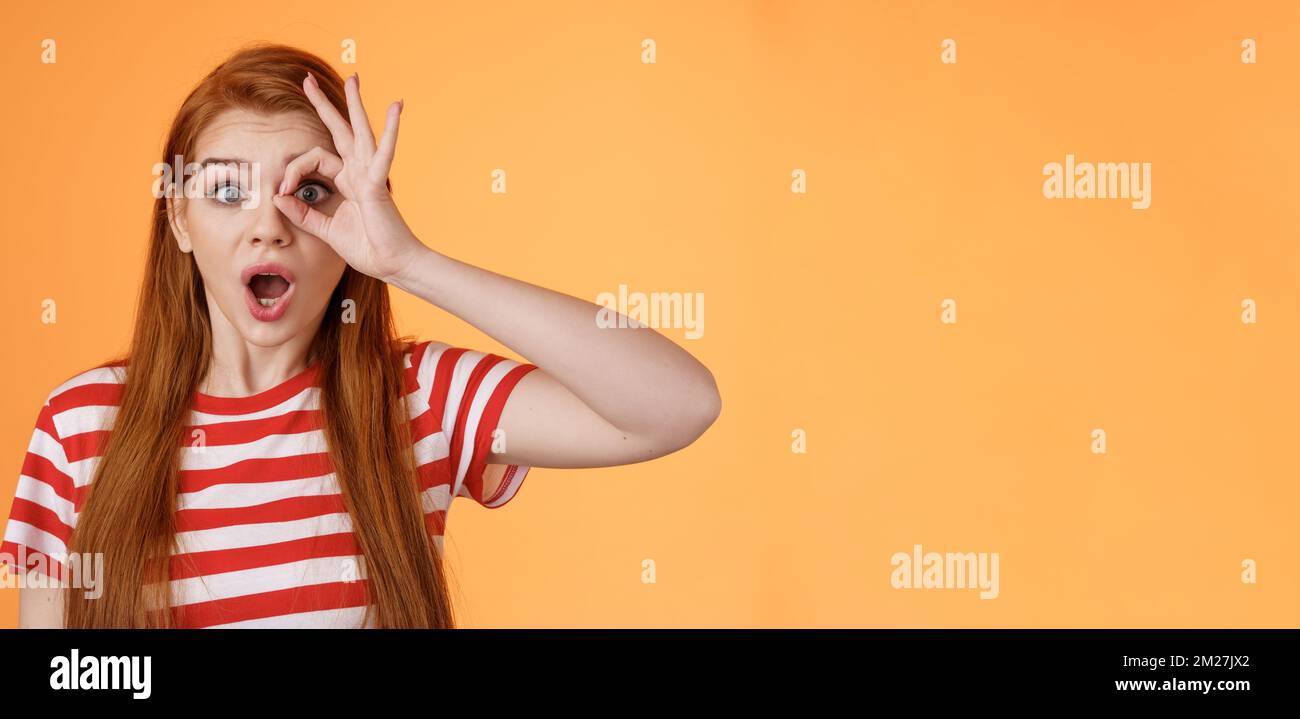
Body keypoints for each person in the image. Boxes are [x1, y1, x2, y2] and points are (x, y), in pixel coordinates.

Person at [0, 44, 720, 628]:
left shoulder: (420, 399)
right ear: (181, 222)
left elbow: (679, 405)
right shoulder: (79, 425)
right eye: (226, 191)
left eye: (309, 191)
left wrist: (411, 263)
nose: (268, 225)